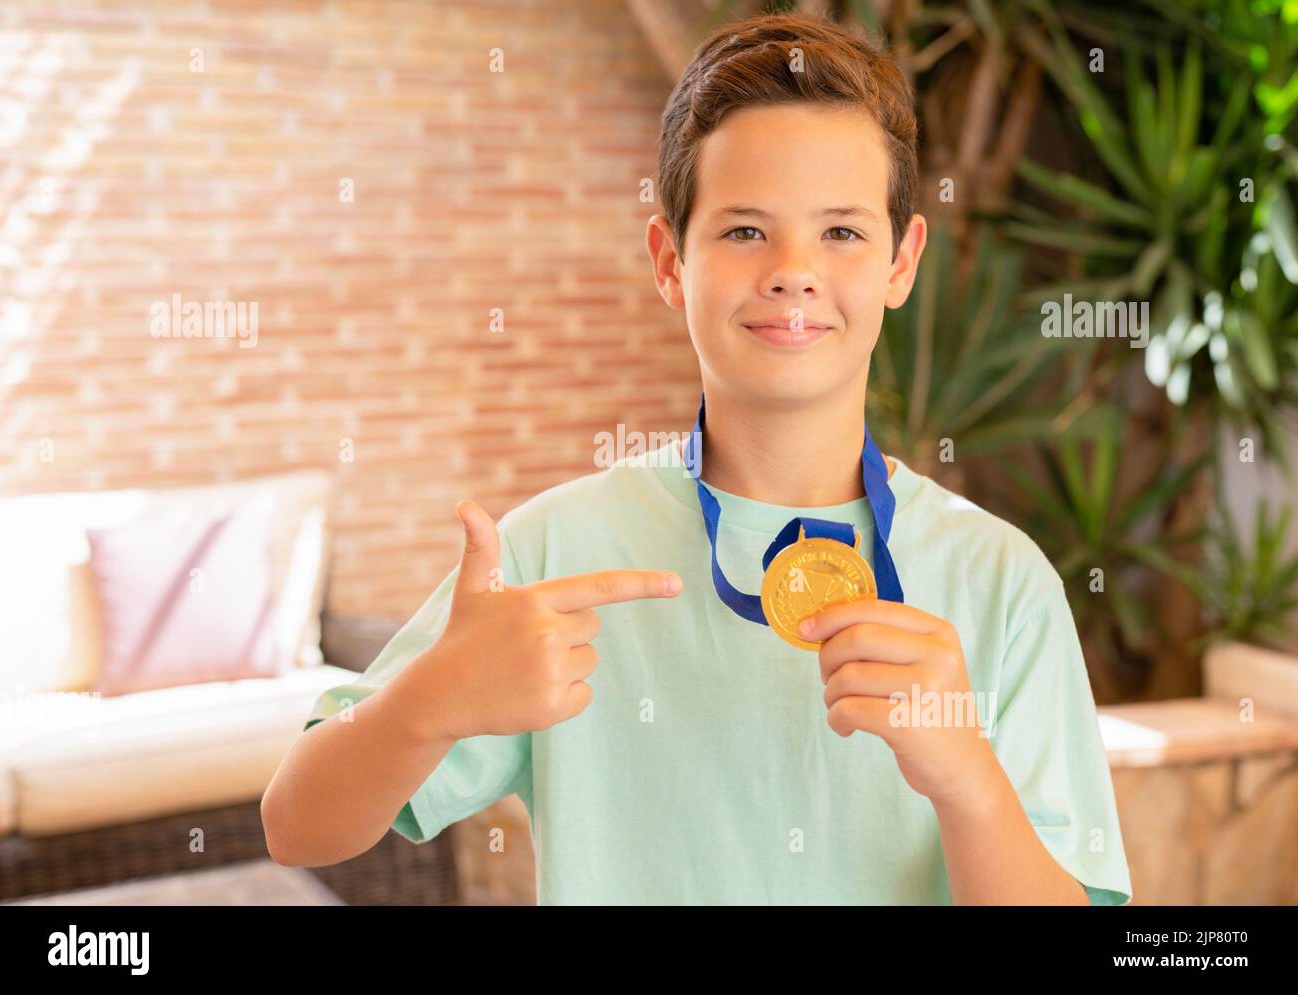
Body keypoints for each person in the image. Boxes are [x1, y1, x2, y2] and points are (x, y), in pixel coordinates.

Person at [262, 10, 1132, 906]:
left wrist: (968, 781)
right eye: (745, 231)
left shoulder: (1003, 581)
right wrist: (426, 702)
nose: (794, 270)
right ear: (670, 261)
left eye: (841, 232)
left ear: (901, 262)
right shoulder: (552, 558)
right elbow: (297, 825)